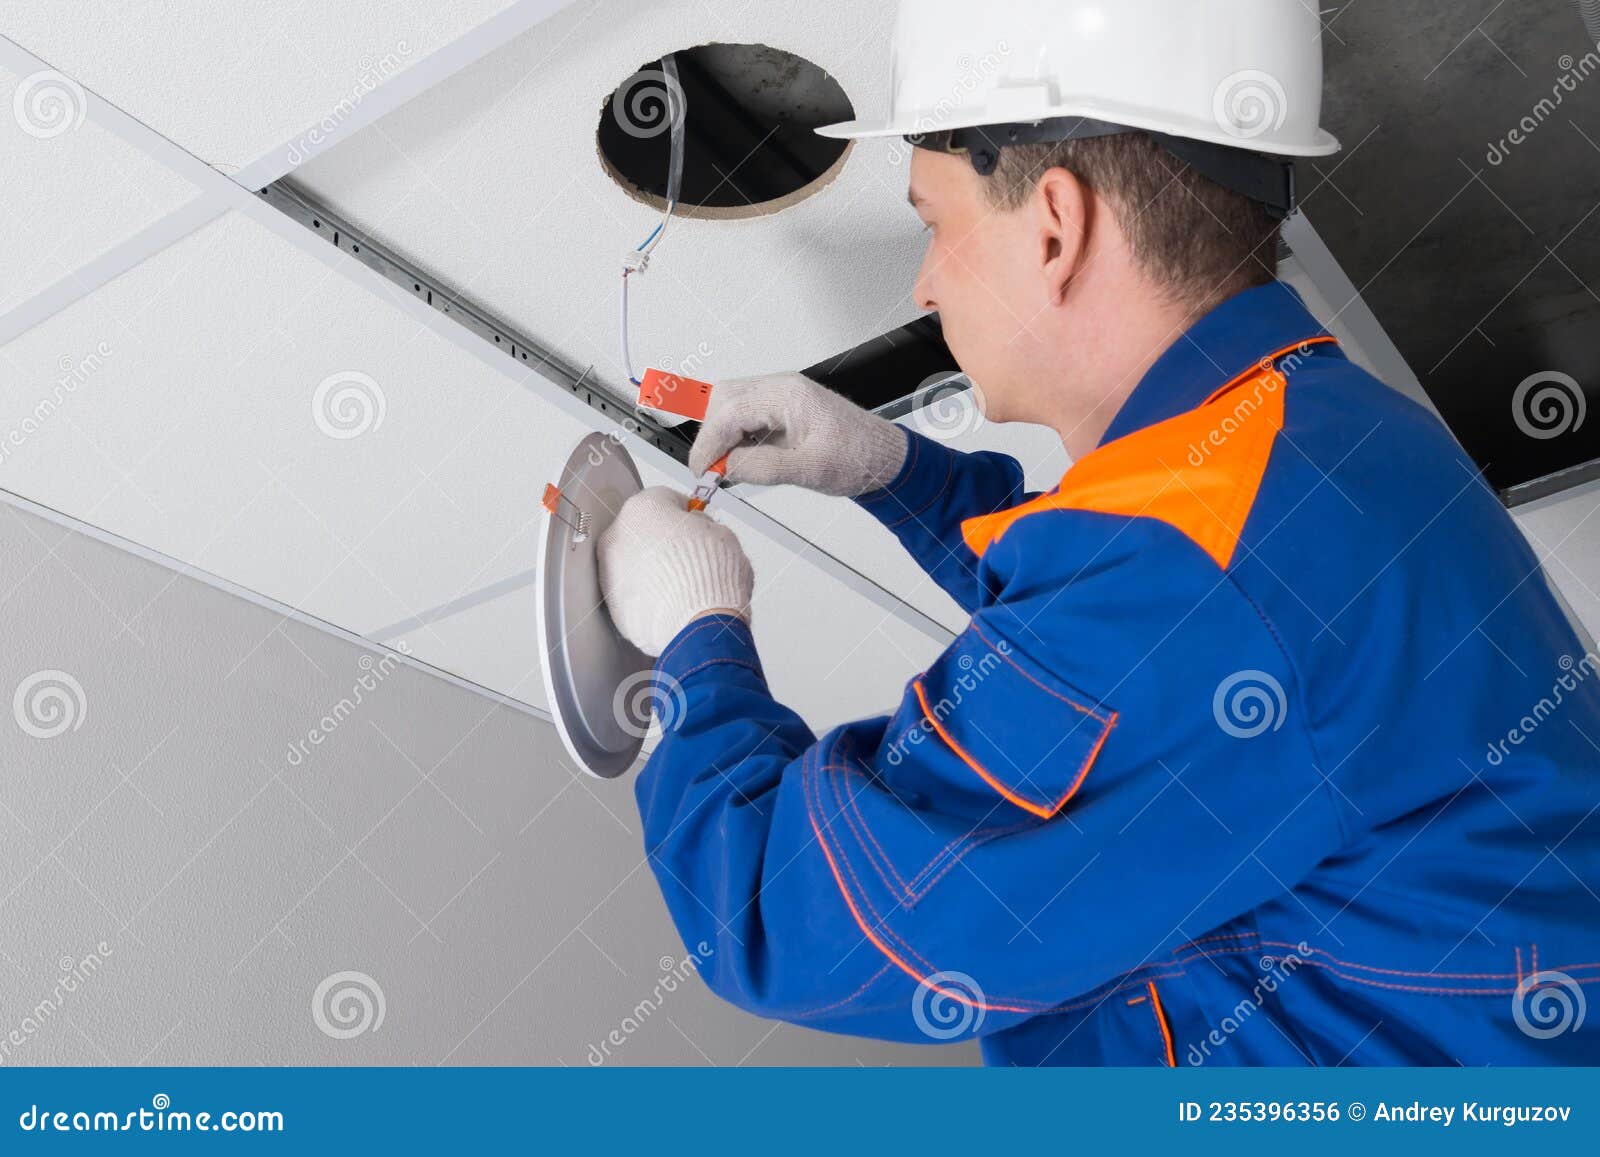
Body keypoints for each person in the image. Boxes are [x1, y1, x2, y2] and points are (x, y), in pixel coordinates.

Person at [595, 0, 1600, 1065]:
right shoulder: (1314, 437)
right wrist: (894, 473)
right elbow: (1107, 656)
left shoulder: (1199, 573)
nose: (923, 283)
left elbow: (791, 918)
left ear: (1055, 227)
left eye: (933, 225)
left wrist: (693, 640)